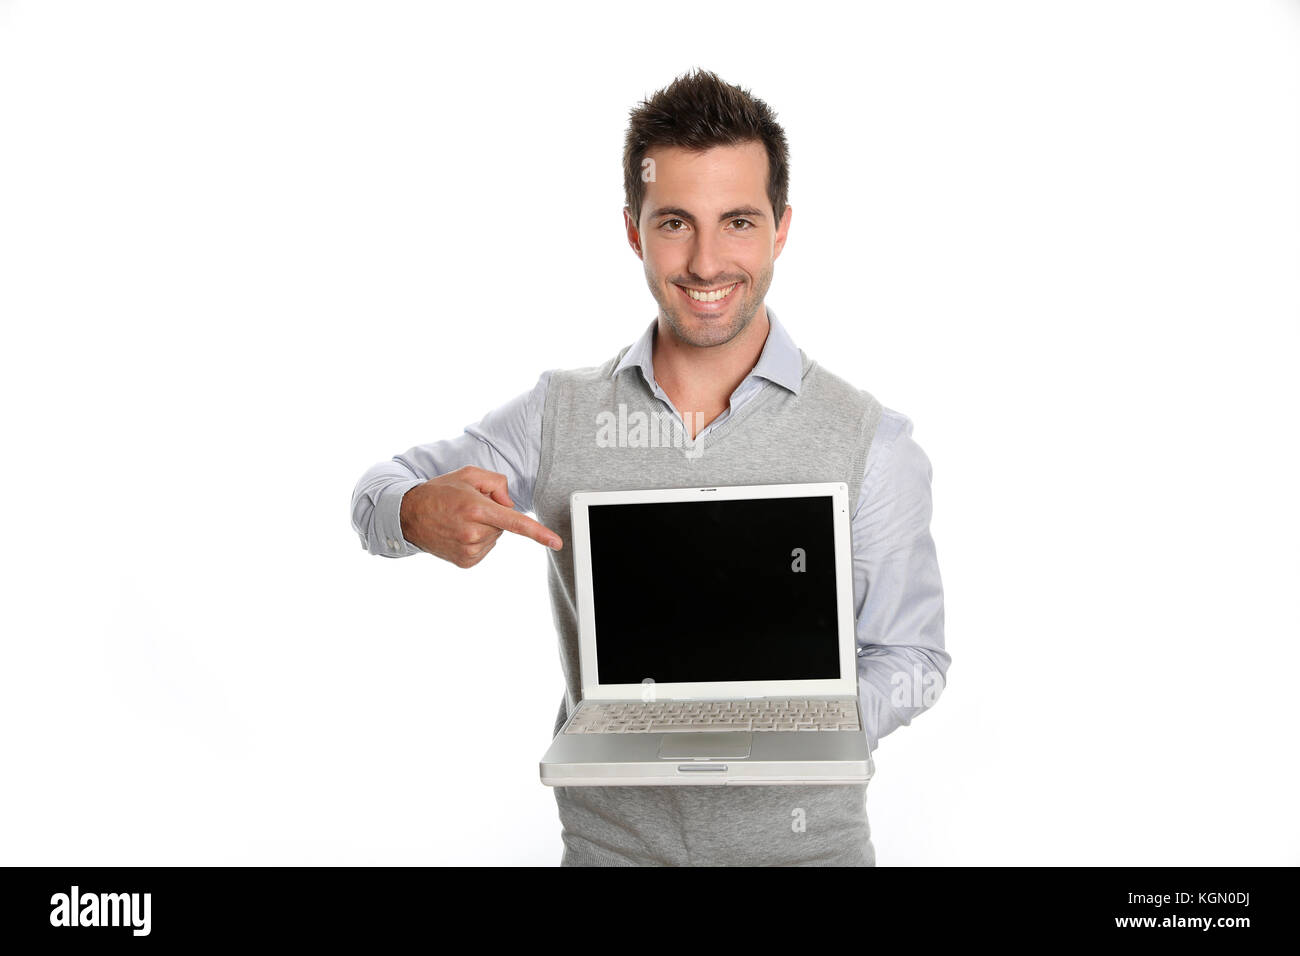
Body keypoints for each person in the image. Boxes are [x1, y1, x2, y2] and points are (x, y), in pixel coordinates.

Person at [350, 69, 949, 866]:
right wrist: (412, 510)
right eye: (674, 222)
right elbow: (376, 492)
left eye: (738, 222)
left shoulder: (871, 441)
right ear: (634, 229)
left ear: (780, 228)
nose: (705, 262)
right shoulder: (557, 415)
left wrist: (796, 724)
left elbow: (916, 659)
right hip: (612, 853)